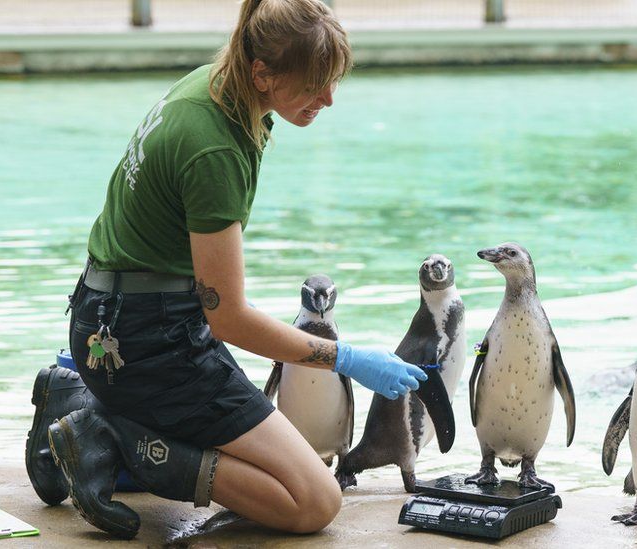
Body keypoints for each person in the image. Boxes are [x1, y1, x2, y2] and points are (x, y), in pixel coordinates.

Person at [24, 0, 429, 540]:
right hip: (146, 343)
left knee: (267, 466)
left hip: (111, 319)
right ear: (262, 73)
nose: (329, 99)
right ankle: (108, 429)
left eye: (333, 82)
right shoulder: (214, 148)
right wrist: (346, 359)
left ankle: (91, 399)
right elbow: (230, 321)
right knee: (311, 502)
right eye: (315, 85)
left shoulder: (216, 82)